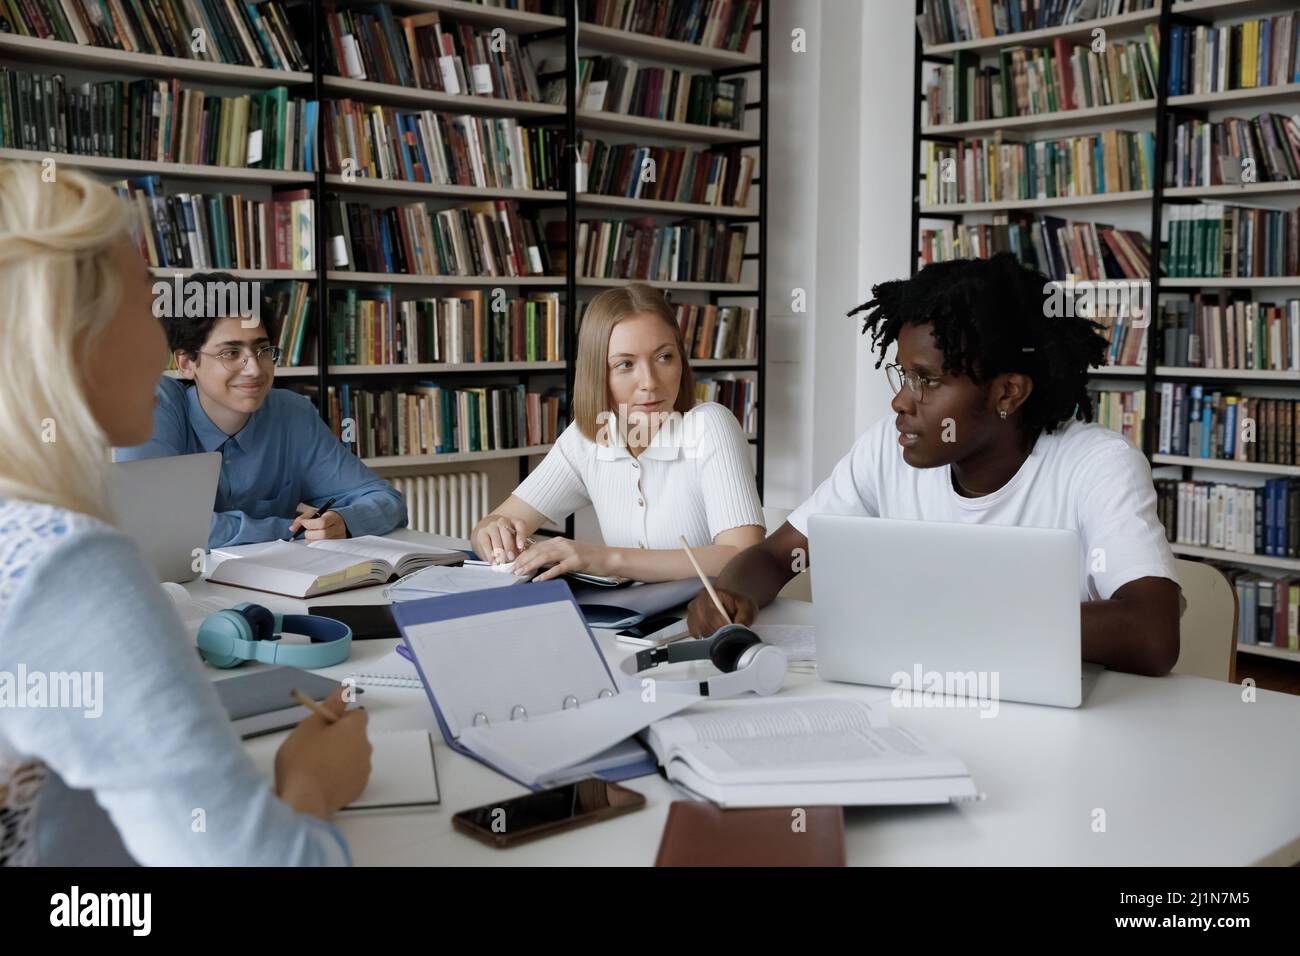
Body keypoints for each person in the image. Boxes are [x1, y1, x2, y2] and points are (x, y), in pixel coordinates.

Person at [0, 162, 370, 865]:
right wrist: (313, 784)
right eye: (146, 304)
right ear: (76, 332)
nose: (160, 346)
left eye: (260, 349)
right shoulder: (64, 565)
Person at [688, 254, 1183, 677]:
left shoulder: (1096, 466)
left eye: (927, 380)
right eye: (903, 375)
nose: (901, 402)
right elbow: (779, 557)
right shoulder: (889, 447)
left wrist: (956, 618)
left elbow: (1153, 635)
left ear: (1007, 392)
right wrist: (730, 593)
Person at [472, 283, 765, 583]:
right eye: (625, 364)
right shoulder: (589, 436)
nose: (649, 382)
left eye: (664, 357)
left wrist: (603, 559)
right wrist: (493, 533)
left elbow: (743, 555)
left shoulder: (710, 426)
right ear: (597, 373)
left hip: (710, 623)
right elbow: (492, 523)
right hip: (625, 623)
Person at [113, 272, 407, 547]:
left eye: (262, 350)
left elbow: (385, 500)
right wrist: (291, 530)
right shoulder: (154, 404)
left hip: (276, 589)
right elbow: (150, 524)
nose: (254, 369)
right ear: (187, 363)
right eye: (231, 353)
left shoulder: (292, 414)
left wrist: (342, 521)